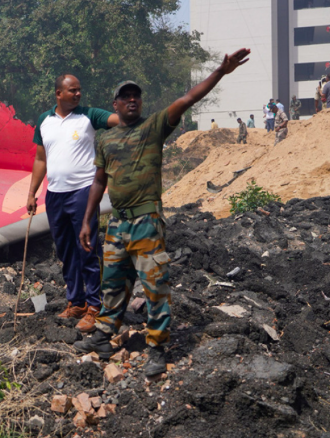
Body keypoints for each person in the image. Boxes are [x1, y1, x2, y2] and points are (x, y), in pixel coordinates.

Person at [73, 48, 251, 377]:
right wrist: (87, 221)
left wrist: (219, 72)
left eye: (135, 96)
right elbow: (99, 181)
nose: (131, 101)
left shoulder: (154, 127)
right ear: (115, 104)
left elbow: (187, 98)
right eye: (125, 97)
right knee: (112, 282)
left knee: (155, 286)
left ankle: (157, 346)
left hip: (146, 222)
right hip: (117, 223)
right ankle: (103, 335)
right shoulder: (106, 140)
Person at [27, 73, 120, 333]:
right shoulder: (44, 121)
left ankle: (94, 306)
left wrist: (128, 113)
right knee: (66, 250)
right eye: (72, 90)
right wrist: (32, 193)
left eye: (79, 90)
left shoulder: (89, 115)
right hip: (55, 194)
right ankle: (75, 302)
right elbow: (40, 159)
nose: (78, 94)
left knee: (87, 248)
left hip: (83, 192)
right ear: (59, 94)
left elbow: (115, 119)